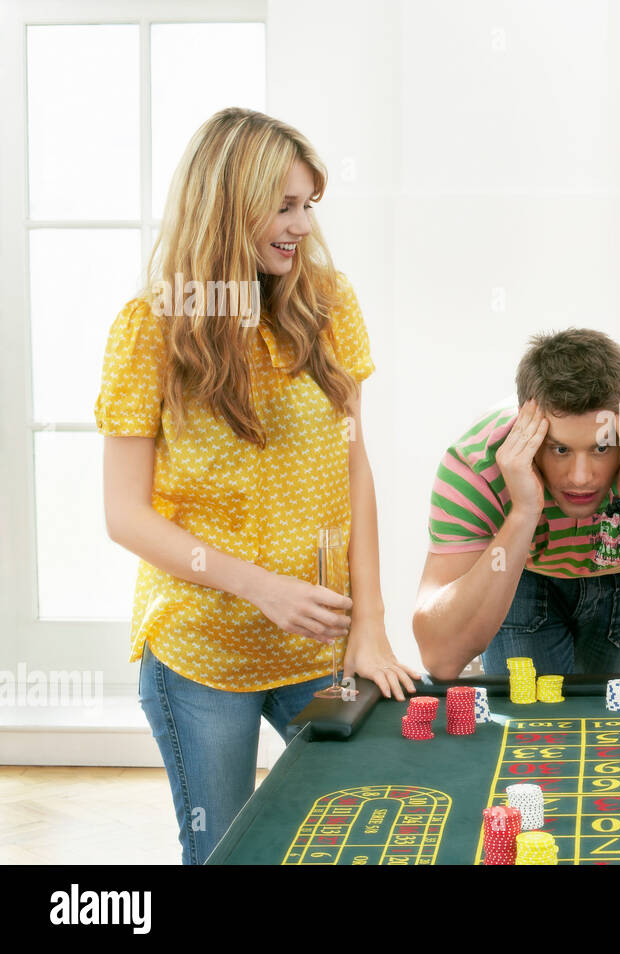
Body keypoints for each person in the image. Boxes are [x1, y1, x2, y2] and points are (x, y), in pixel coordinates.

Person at [96, 107, 418, 864]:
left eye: (308, 205)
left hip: (320, 645)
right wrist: (260, 587)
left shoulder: (327, 304)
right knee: (225, 851)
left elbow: (353, 466)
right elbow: (124, 516)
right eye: (283, 205)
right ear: (226, 203)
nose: (301, 224)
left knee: (362, 840)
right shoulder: (150, 328)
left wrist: (368, 622)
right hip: (203, 654)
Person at [414, 329, 620, 679]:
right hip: (519, 571)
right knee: (536, 721)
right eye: (560, 449)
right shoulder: (474, 466)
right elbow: (441, 657)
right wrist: (523, 513)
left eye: (602, 447)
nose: (582, 477)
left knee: (597, 715)